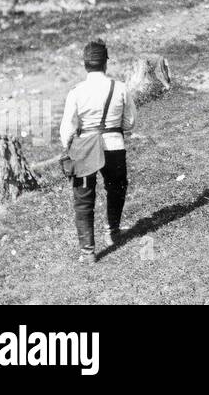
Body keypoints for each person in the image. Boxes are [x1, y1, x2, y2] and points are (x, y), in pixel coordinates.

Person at [59, 39, 135, 263]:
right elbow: (129, 122)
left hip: (84, 150)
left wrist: (69, 147)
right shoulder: (119, 88)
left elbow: (67, 128)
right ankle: (113, 231)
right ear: (105, 64)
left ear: (85, 65)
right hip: (114, 146)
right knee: (117, 189)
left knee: (83, 199)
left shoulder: (76, 92)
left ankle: (88, 251)